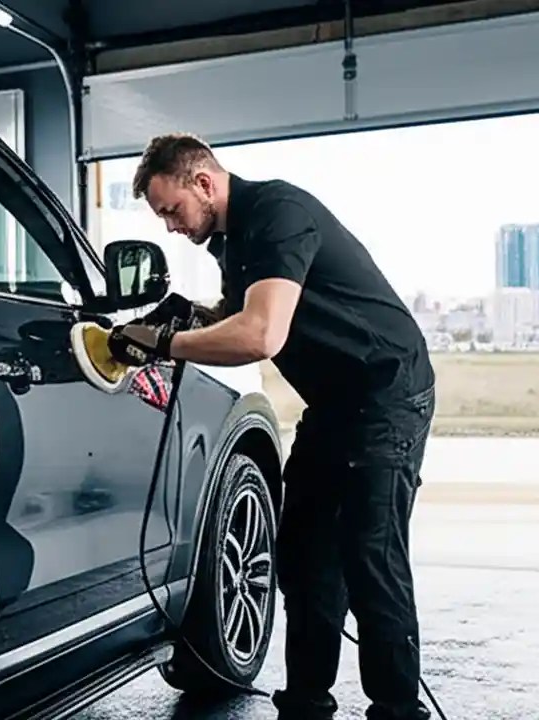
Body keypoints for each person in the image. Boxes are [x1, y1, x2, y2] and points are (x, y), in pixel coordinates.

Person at [108, 133, 436, 720]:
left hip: (386, 393)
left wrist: (165, 344)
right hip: (333, 405)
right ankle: (306, 704)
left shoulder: (279, 214)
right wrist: (181, 316)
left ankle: (396, 710)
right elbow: (235, 314)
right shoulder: (232, 241)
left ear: (203, 183)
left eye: (172, 211)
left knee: (370, 560)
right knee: (305, 557)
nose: (170, 227)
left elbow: (260, 335)